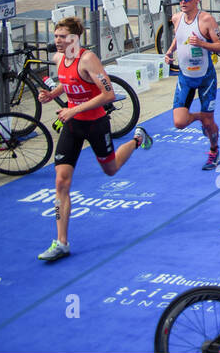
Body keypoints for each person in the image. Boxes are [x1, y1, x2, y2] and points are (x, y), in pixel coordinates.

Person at [37, 16, 151, 262]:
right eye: (55, 36)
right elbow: (67, 83)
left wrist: (74, 109)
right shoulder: (60, 59)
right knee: (61, 183)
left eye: (62, 36)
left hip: (95, 124)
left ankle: (137, 139)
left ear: (75, 38)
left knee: (110, 169)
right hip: (72, 125)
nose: (57, 41)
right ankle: (61, 242)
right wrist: (52, 94)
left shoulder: (87, 59)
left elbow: (109, 94)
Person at [164, 0, 220, 171]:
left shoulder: (207, 20)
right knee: (179, 122)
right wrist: (169, 52)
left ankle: (214, 150)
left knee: (210, 123)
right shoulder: (176, 18)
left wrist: (201, 43)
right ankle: (202, 117)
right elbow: (178, 36)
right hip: (185, 77)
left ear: (197, 0)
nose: (183, 2)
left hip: (205, 77)